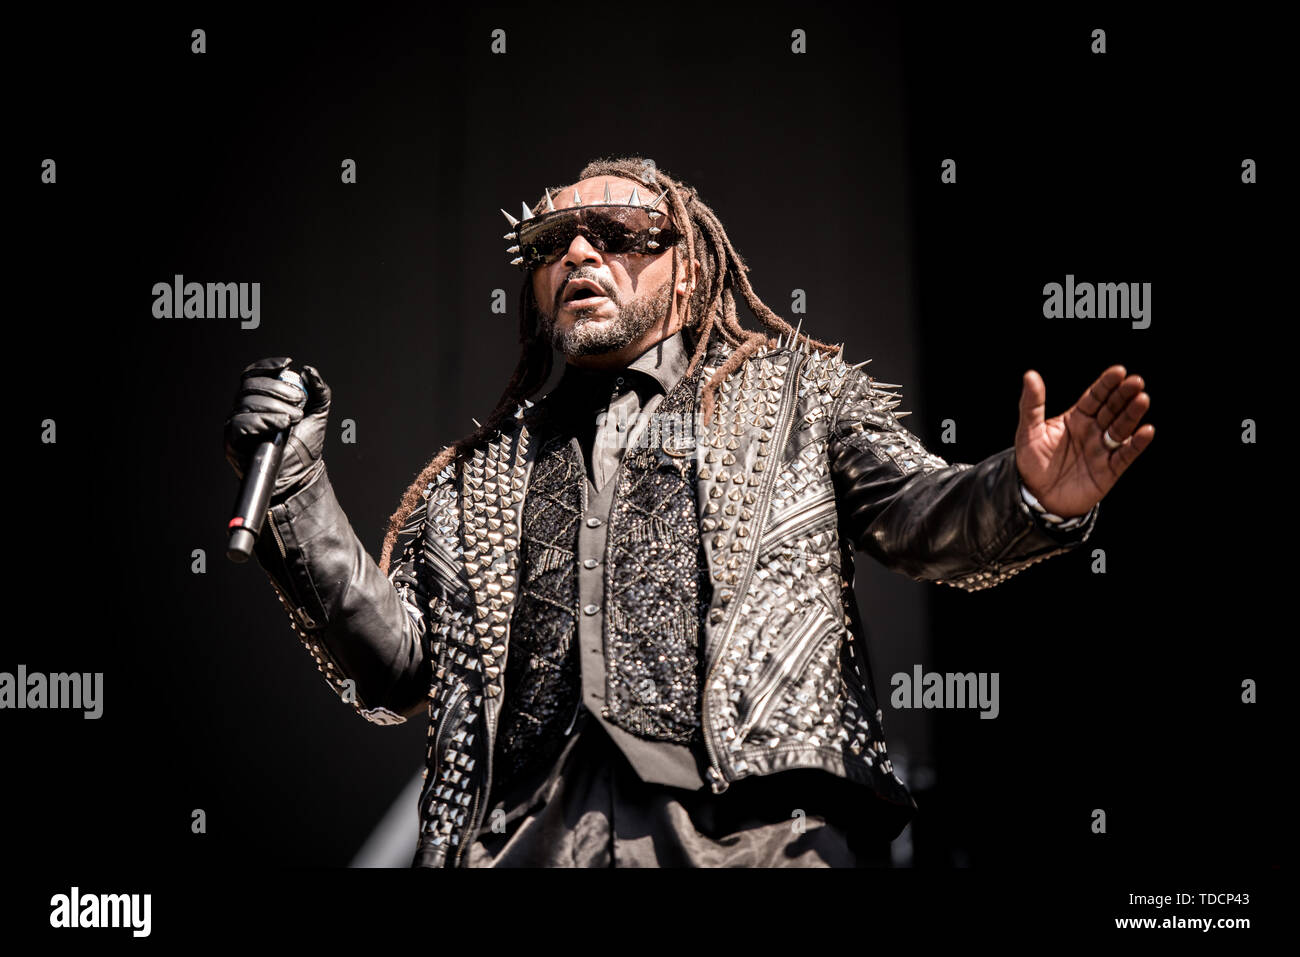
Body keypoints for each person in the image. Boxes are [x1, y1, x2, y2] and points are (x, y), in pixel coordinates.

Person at [223, 157, 1153, 867]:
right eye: (552, 242)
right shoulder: (473, 478)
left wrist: (1027, 492)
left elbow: (921, 516)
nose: (580, 252)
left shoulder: (796, 400)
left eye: (618, 231)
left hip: (758, 838)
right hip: (521, 843)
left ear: (688, 268)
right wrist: (299, 490)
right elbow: (402, 670)